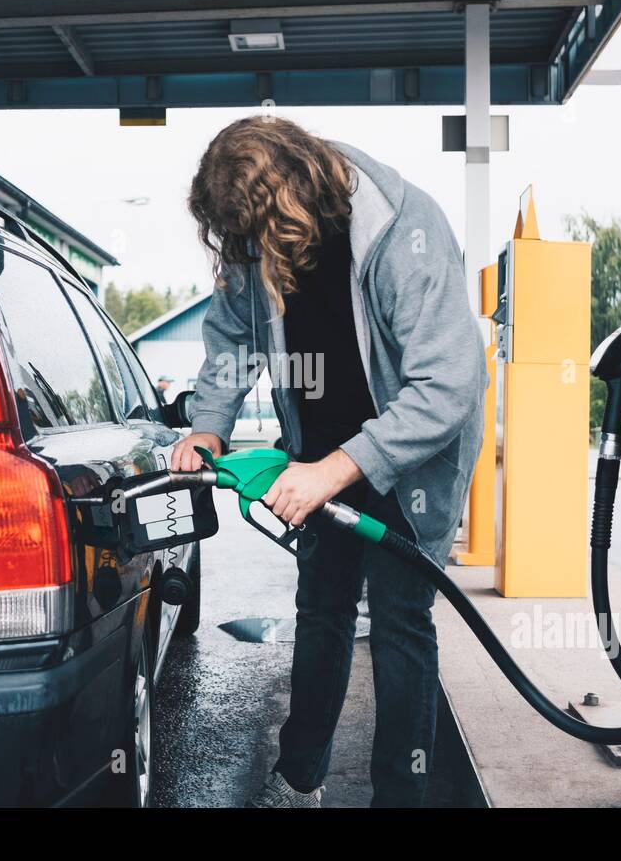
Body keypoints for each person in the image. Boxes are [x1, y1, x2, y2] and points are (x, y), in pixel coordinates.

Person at [171, 116, 487, 807]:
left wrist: (337, 468)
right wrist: (209, 430)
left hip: (413, 456)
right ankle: (298, 778)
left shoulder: (405, 231)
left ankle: (399, 798)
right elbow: (231, 335)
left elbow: (448, 386)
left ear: (293, 201)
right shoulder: (256, 233)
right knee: (323, 609)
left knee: (403, 620)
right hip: (316, 450)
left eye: (258, 238)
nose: (249, 255)